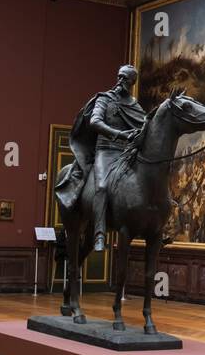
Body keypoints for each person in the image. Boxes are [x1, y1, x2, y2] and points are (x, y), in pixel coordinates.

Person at [54, 64, 147, 252]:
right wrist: (119, 135)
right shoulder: (105, 99)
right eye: (119, 76)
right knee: (102, 186)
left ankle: (153, 227)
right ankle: (99, 233)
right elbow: (95, 122)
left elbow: (145, 127)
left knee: (148, 181)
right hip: (106, 151)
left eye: (125, 78)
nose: (120, 81)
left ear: (132, 83)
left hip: (126, 153)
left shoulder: (135, 106)